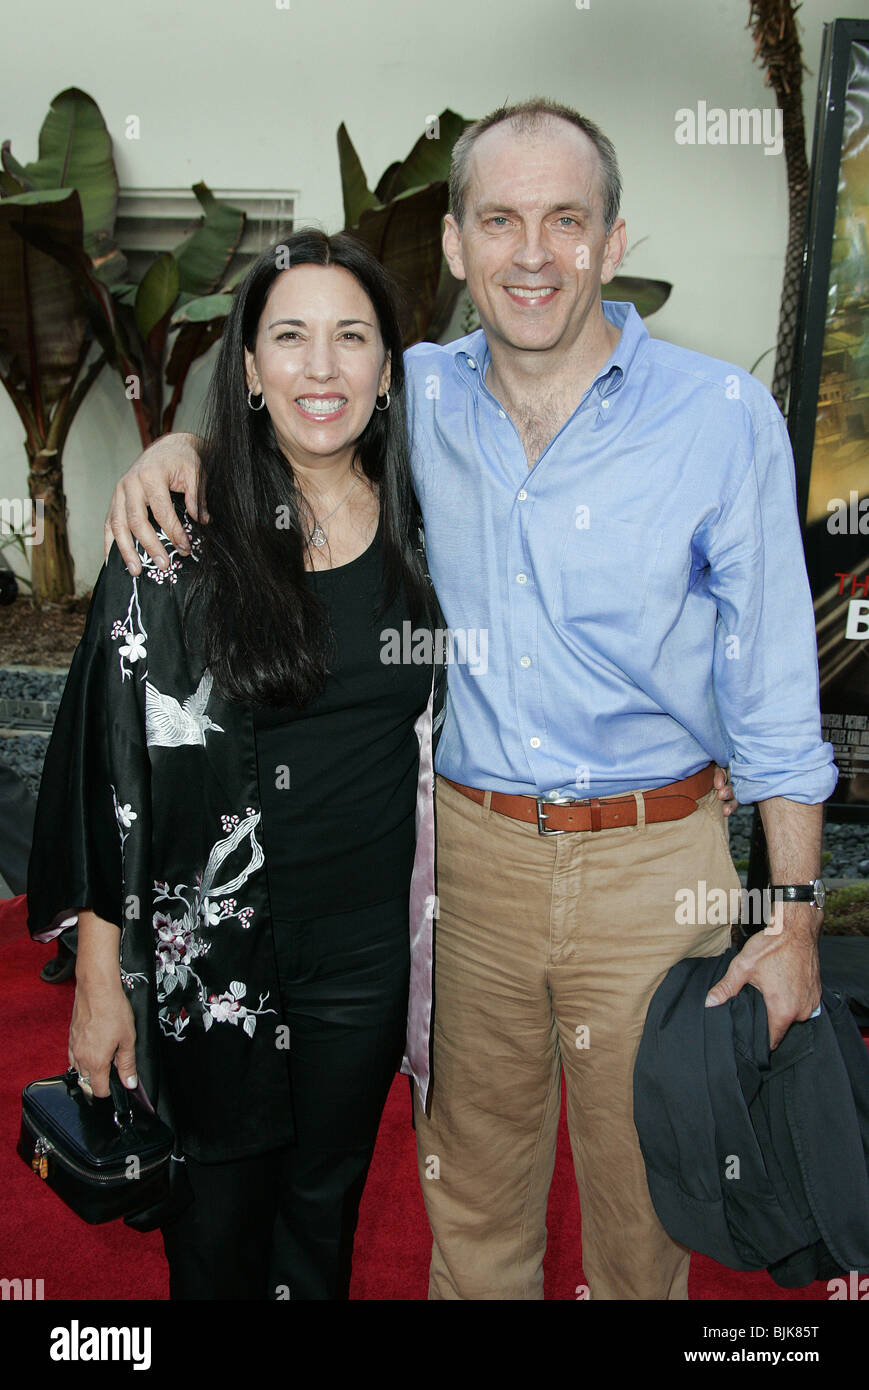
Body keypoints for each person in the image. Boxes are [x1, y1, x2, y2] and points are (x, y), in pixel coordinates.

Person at [104, 99, 806, 1304]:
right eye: (498, 220)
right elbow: (291, 407)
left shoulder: (720, 418)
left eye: (564, 220)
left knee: (646, 1217)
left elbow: (777, 692)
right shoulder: (410, 392)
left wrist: (788, 914)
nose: (530, 253)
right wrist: (180, 446)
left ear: (612, 234)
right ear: (453, 246)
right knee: (470, 1209)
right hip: (467, 869)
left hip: (654, 862)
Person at [27, 229, 442, 1301]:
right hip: (207, 961)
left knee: (322, 1214)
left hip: (359, 958)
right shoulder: (172, 539)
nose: (320, 366)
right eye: (288, 337)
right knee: (214, 1236)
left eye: (350, 337)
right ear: (249, 371)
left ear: (386, 370)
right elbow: (114, 773)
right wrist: (100, 985)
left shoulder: (431, 527)